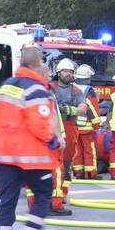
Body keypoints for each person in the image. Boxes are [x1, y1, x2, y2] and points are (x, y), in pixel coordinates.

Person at [0, 45, 63, 230]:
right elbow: (39, 123)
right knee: (43, 196)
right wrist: (53, 141)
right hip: (31, 156)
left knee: (6, 203)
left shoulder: (6, 86)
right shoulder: (37, 89)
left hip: (3, 154)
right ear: (37, 65)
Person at [44, 59, 79, 216]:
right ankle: (51, 197)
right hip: (53, 127)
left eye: (71, 72)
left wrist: (69, 110)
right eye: (65, 71)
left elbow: (83, 108)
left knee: (67, 162)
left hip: (70, 128)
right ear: (58, 73)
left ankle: (62, 194)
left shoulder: (76, 90)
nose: (68, 74)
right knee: (53, 165)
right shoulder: (50, 88)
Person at [73, 64, 102, 179]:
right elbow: (92, 108)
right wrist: (96, 124)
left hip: (74, 126)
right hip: (87, 126)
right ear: (88, 78)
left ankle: (78, 172)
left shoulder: (72, 88)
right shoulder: (89, 91)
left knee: (77, 150)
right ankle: (90, 173)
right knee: (89, 150)